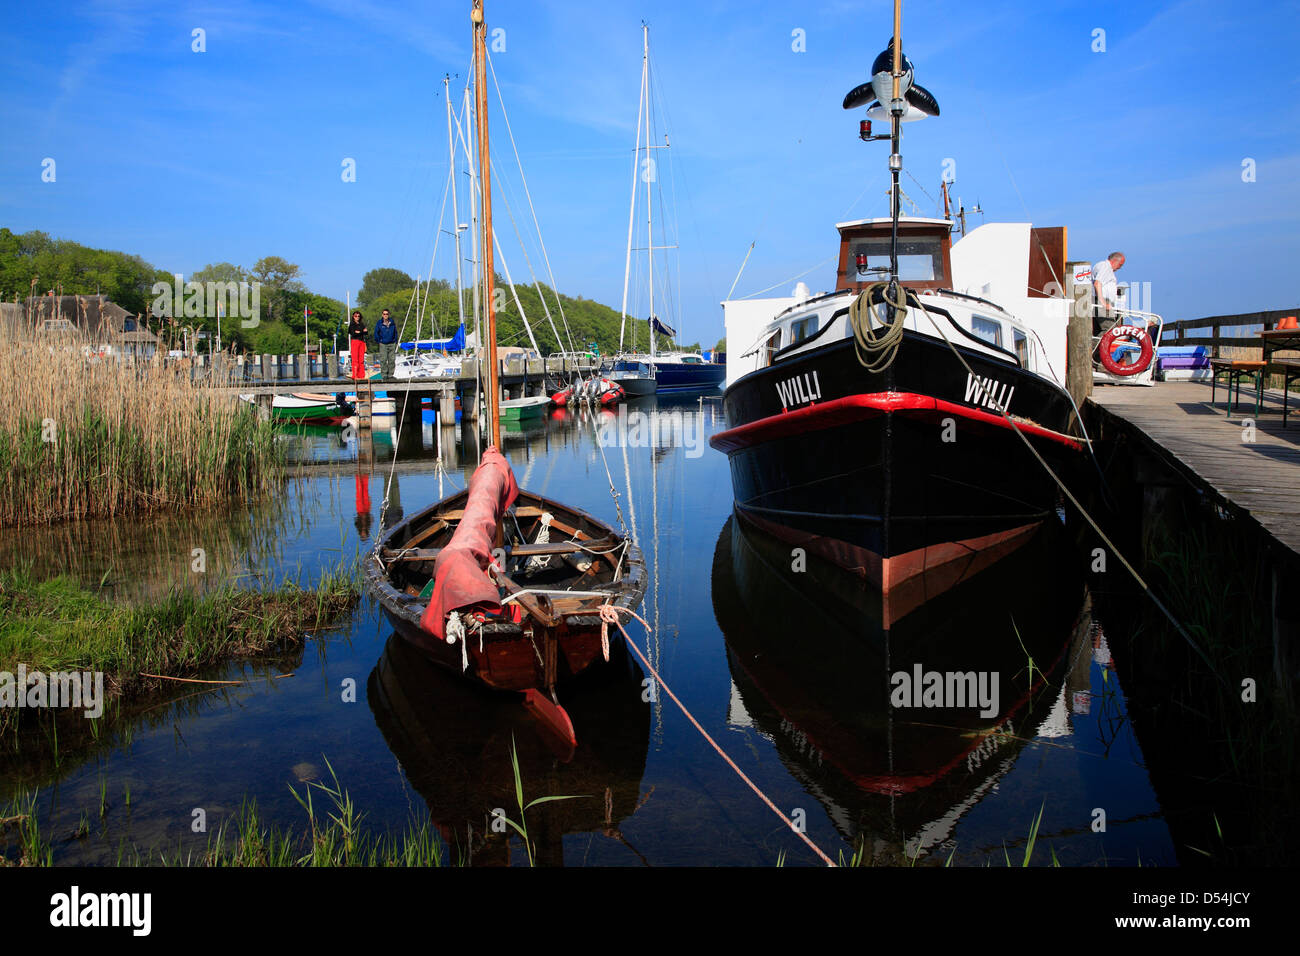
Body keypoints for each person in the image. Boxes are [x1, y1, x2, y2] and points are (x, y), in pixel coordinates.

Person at [1091, 251, 1125, 335]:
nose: (1120, 268)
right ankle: (1094, 348)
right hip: (1103, 301)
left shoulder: (1100, 265)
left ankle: (1094, 347)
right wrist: (1103, 302)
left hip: (1099, 301)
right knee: (1110, 329)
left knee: (1099, 330)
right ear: (1114, 261)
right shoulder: (1106, 266)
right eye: (1120, 264)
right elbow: (1097, 283)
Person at [374, 308, 398, 380]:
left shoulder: (392, 323)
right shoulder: (379, 323)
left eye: (387, 314)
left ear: (388, 315)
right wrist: (379, 340)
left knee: (392, 360)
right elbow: (376, 333)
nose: (385, 315)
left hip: (392, 343)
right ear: (382, 315)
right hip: (383, 344)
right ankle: (384, 374)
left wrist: (395, 340)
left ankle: (390, 375)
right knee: (383, 359)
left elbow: (395, 332)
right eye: (384, 314)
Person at [347, 310, 368, 380]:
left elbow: (366, 332)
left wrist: (360, 332)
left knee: (361, 360)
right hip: (355, 342)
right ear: (353, 317)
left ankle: (361, 375)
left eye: (358, 316)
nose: (357, 317)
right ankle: (355, 375)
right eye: (356, 316)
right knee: (355, 359)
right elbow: (353, 333)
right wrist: (361, 331)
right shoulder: (352, 324)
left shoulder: (361, 324)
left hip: (362, 342)